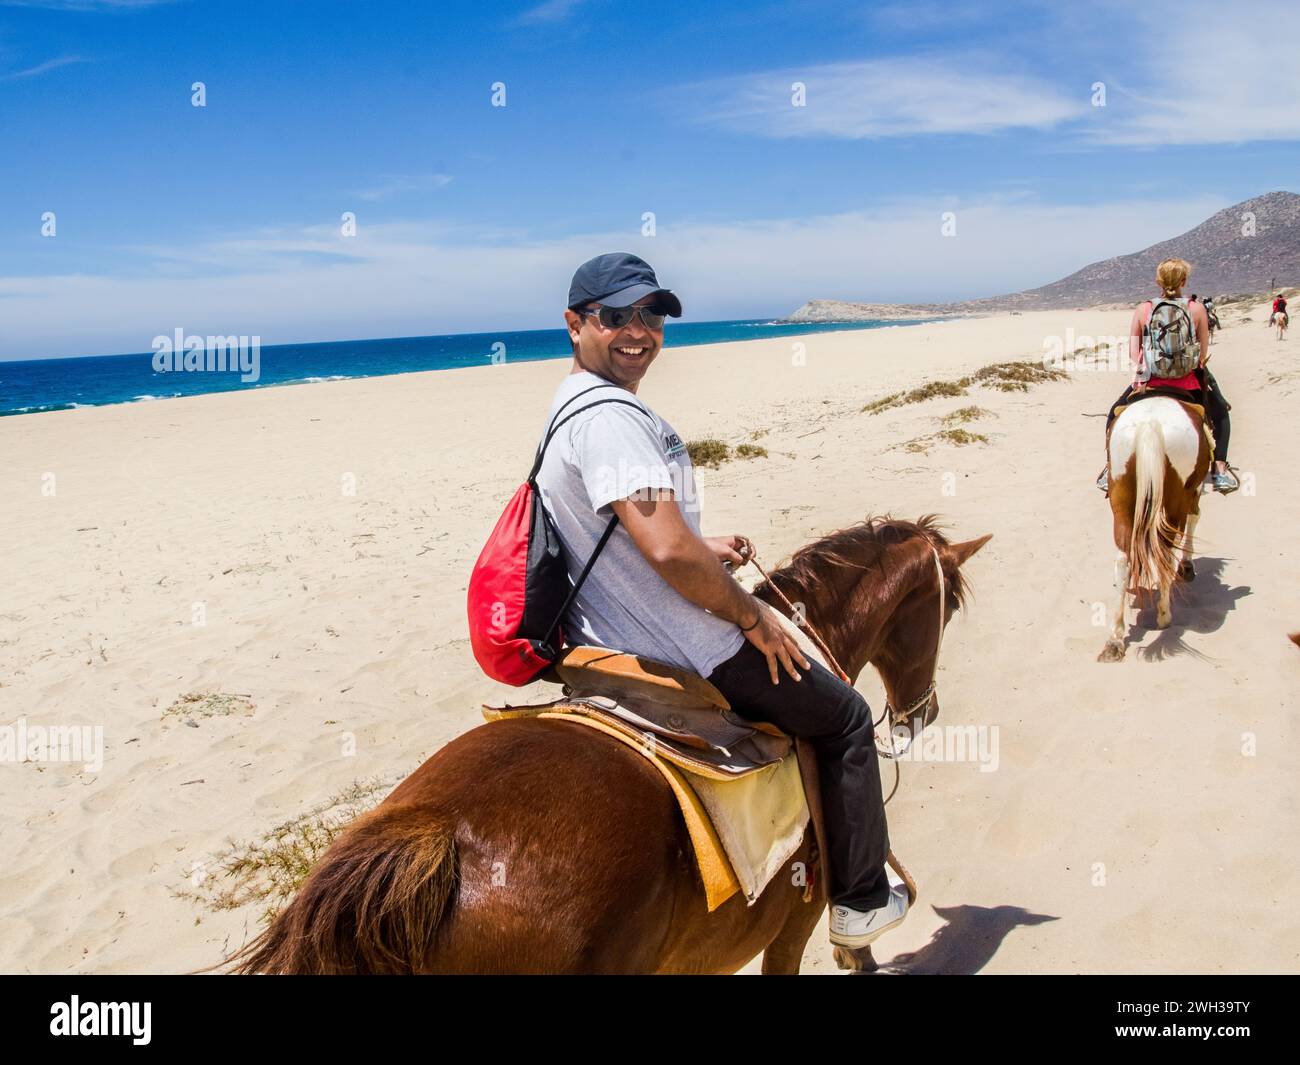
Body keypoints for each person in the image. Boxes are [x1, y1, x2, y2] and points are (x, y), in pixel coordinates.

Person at [533, 252, 908, 948]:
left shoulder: (571, 406)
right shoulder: (611, 416)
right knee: (847, 716)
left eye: (651, 314)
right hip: (681, 643)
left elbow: (643, 532)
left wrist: (706, 543)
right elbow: (668, 551)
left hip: (604, 632)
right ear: (574, 324)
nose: (638, 330)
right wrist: (749, 611)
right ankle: (859, 899)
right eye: (616, 316)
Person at [1096, 258, 1238, 494]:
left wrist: (1146, 369)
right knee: (1221, 414)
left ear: (1157, 281)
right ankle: (1220, 470)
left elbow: (1134, 352)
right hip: (1190, 382)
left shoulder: (1144, 309)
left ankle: (1110, 468)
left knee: (1114, 413)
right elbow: (1202, 353)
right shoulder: (1197, 308)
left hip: (1150, 381)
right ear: (1184, 281)